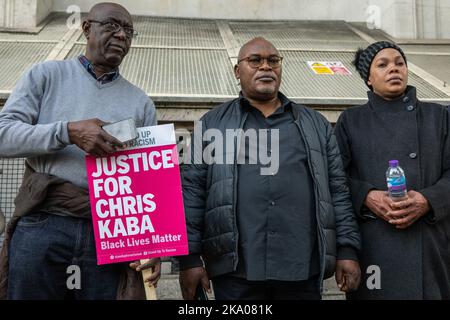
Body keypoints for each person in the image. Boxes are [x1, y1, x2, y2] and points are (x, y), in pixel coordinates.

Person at [178, 37, 361, 300]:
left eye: (273, 60)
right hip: (235, 271)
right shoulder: (210, 124)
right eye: (255, 60)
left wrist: (347, 250)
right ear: (237, 71)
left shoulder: (316, 125)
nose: (266, 66)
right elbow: (191, 193)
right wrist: (189, 260)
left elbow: (337, 192)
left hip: (301, 269)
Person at [0, 2, 161, 300]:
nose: (122, 36)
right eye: (112, 25)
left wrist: (151, 246)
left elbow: (147, 183)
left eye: (128, 30)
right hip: (44, 222)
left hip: (108, 233)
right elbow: (3, 136)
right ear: (87, 28)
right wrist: (67, 132)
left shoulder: (141, 104)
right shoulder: (45, 76)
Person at [334, 41, 450, 299]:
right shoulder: (351, 121)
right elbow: (334, 180)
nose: (394, 69)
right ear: (368, 79)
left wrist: (427, 200)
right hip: (374, 248)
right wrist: (367, 196)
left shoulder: (439, 117)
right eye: (383, 64)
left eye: (400, 63)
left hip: (431, 247)